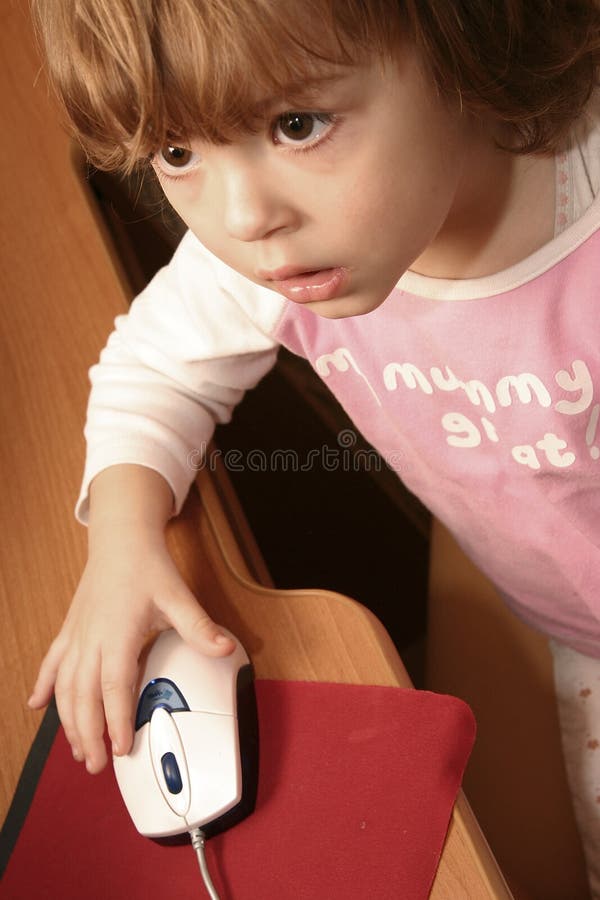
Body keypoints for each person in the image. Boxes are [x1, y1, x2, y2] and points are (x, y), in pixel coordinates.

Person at [28, 0, 600, 893]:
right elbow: (153, 371)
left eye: (296, 125)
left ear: (462, 39)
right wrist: (122, 543)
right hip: (555, 616)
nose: (242, 216)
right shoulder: (265, 255)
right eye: (179, 154)